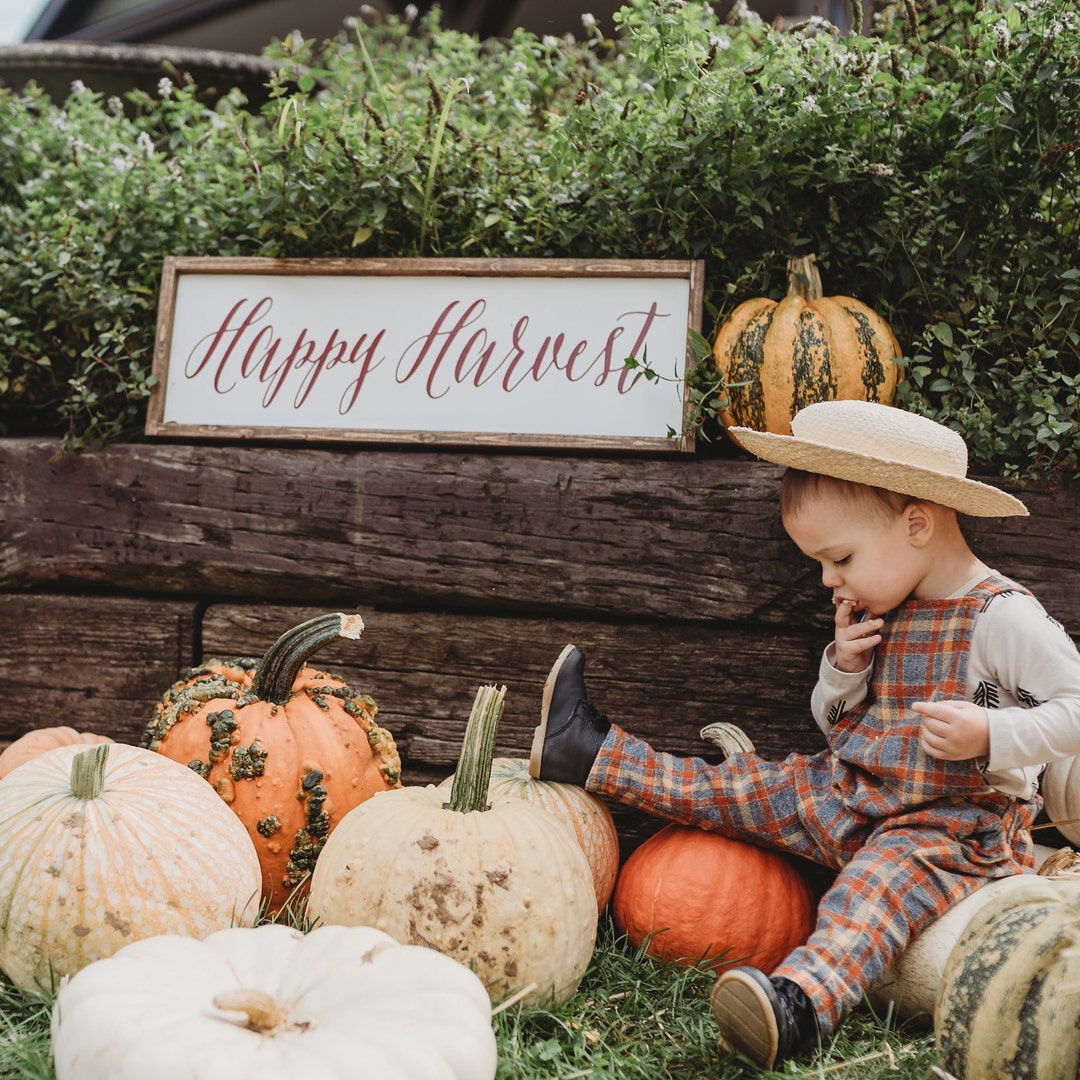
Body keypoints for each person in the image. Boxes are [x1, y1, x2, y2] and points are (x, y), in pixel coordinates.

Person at [528, 399, 1080, 1071]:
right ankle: (587, 751)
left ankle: (796, 1008)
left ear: (916, 524)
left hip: (949, 824)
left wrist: (992, 733)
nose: (829, 580)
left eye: (840, 558)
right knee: (740, 787)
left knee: (872, 889)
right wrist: (844, 669)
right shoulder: (891, 600)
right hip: (852, 791)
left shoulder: (1004, 618)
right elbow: (845, 728)